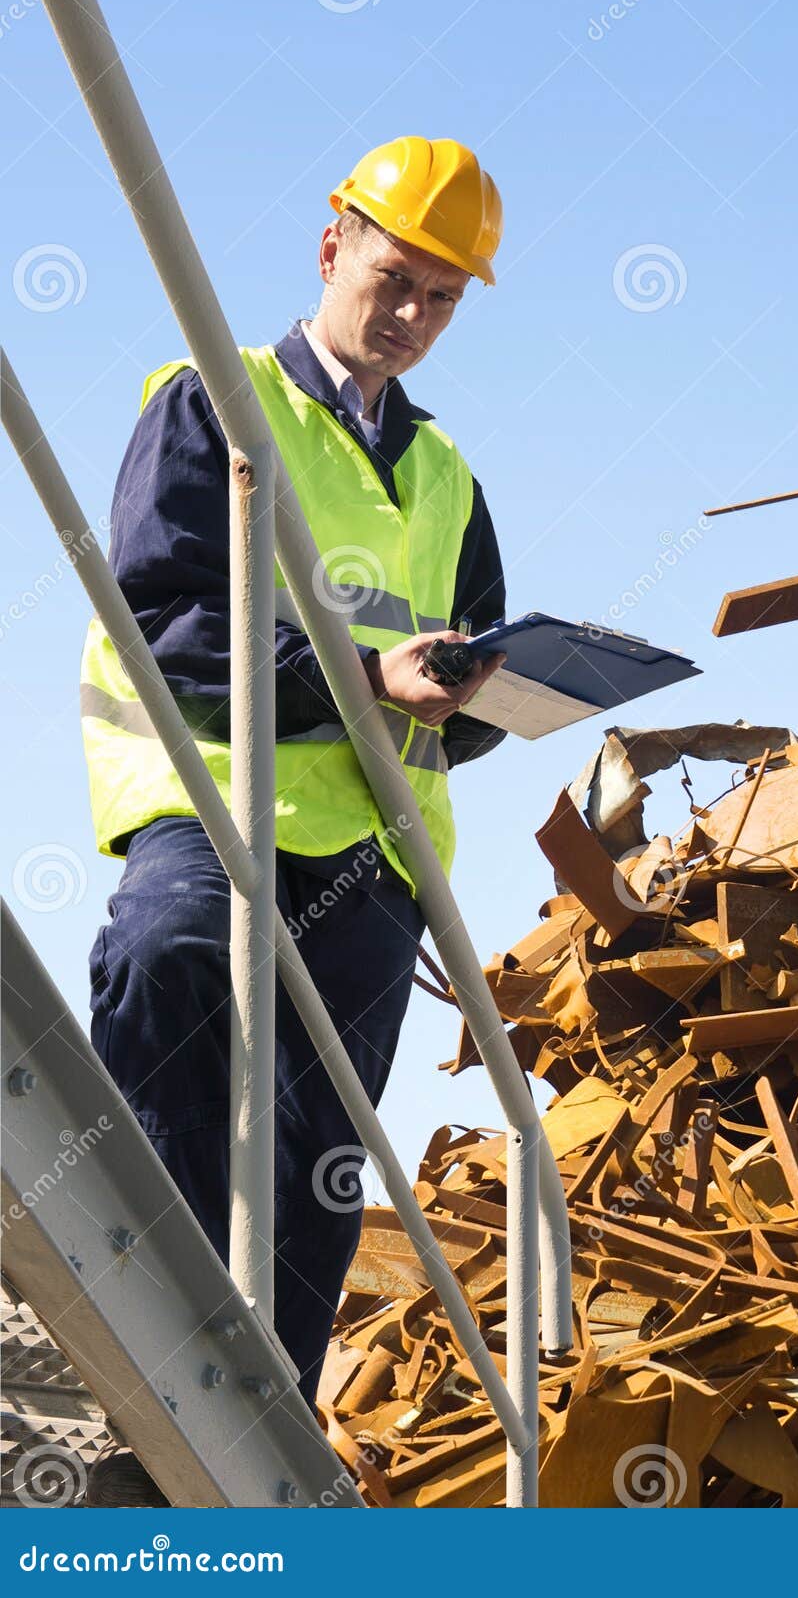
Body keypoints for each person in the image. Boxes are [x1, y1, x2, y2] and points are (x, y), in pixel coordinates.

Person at [80, 138, 508, 1505]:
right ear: (333, 247)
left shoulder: (448, 478)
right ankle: (134, 1362)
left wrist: (497, 693)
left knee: (321, 1160)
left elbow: (467, 676)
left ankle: (243, 1444)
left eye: (442, 299)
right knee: (167, 965)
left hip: (374, 863)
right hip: (220, 807)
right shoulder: (218, 402)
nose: (411, 316)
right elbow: (167, 620)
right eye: (395, 279)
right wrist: (361, 676)